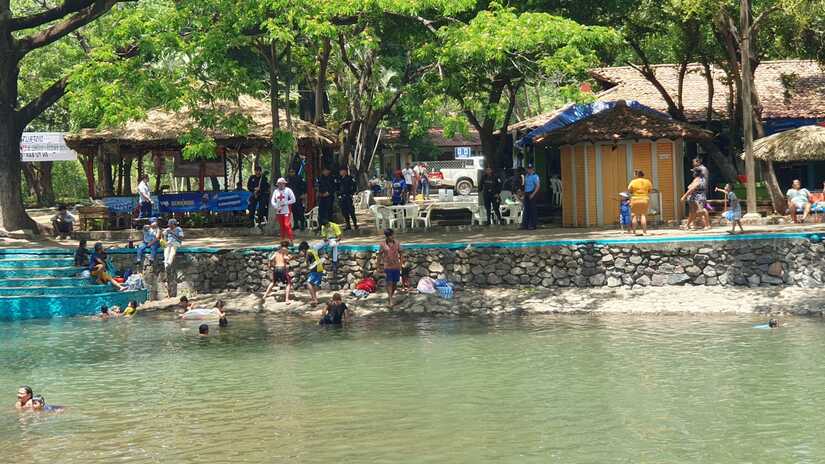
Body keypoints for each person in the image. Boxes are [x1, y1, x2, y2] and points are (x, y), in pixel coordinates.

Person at [377, 228, 403, 307]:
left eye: (393, 235)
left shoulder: (397, 243)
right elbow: (379, 256)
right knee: (389, 282)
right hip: (387, 266)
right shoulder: (382, 244)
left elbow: (401, 254)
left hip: (396, 266)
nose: (393, 237)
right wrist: (378, 266)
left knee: (395, 283)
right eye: (391, 236)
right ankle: (391, 300)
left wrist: (401, 264)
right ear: (387, 236)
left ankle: (390, 296)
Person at [627, 170, 654, 236]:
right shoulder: (647, 181)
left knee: (634, 215)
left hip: (635, 199)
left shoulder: (633, 182)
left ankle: (634, 232)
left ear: (636, 175)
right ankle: (644, 232)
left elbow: (629, 190)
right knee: (643, 215)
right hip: (644, 199)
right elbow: (650, 190)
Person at [299, 241, 324, 305]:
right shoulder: (313, 250)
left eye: (301, 250)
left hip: (314, 268)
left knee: (309, 283)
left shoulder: (308, 252)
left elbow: (306, 262)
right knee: (315, 284)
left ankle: (315, 299)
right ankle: (314, 298)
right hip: (320, 267)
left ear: (303, 249)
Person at [520, 164, 540, 230]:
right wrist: (523, 194)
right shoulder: (526, 176)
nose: (529, 170)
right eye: (528, 169)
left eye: (530, 169)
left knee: (532, 209)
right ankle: (525, 225)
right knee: (526, 209)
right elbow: (524, 185)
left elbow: (537, 186)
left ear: (533, 169)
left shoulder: (535, 176)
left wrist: (533, 194)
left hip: (532, 192)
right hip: (526, 193)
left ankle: (533, 225)